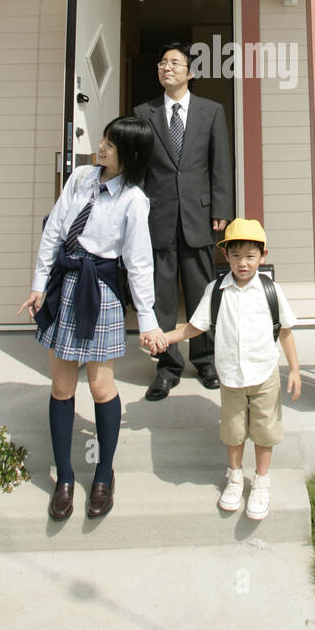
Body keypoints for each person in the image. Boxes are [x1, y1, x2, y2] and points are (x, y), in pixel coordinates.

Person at [18, 116, 165, 521]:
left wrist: (148, 320)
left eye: (111, 144)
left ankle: (103, 474)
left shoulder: (134, 199)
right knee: (62, 385)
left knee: (101, 386)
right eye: (103, 139)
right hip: (66, 283)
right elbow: (54, 230)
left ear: (130, 154)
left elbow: (139, 263)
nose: (101, 147)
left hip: (100, 291)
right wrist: (38, 282)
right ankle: (64, 477)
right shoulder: (81, 177)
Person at [158, 218, 301, 520]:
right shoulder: (216, 290)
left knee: (264, 431)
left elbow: (285, 331)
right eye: (235, 255)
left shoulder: (270, 290)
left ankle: (261, 482)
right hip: (232, 378)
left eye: (250, 256)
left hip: (265, 375)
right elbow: (193, 329)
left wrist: (296, 370)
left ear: (263, 256)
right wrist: (164, 337)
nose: (243, 263)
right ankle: (235, 478)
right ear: (225, 256)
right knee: (233, 432)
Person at [133, 41, 234, 400]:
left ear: (190, 72)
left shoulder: (211, 111)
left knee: (201, 290)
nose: (167, 68)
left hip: (199, 215)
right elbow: (139, 168)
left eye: (174, 63)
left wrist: (220, 209)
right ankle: (167, 366)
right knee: (161, 294)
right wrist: (135, 213)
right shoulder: (143, 112)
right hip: (156, 214)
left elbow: (220, 163)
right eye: (162, 63)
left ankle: (206, 359)